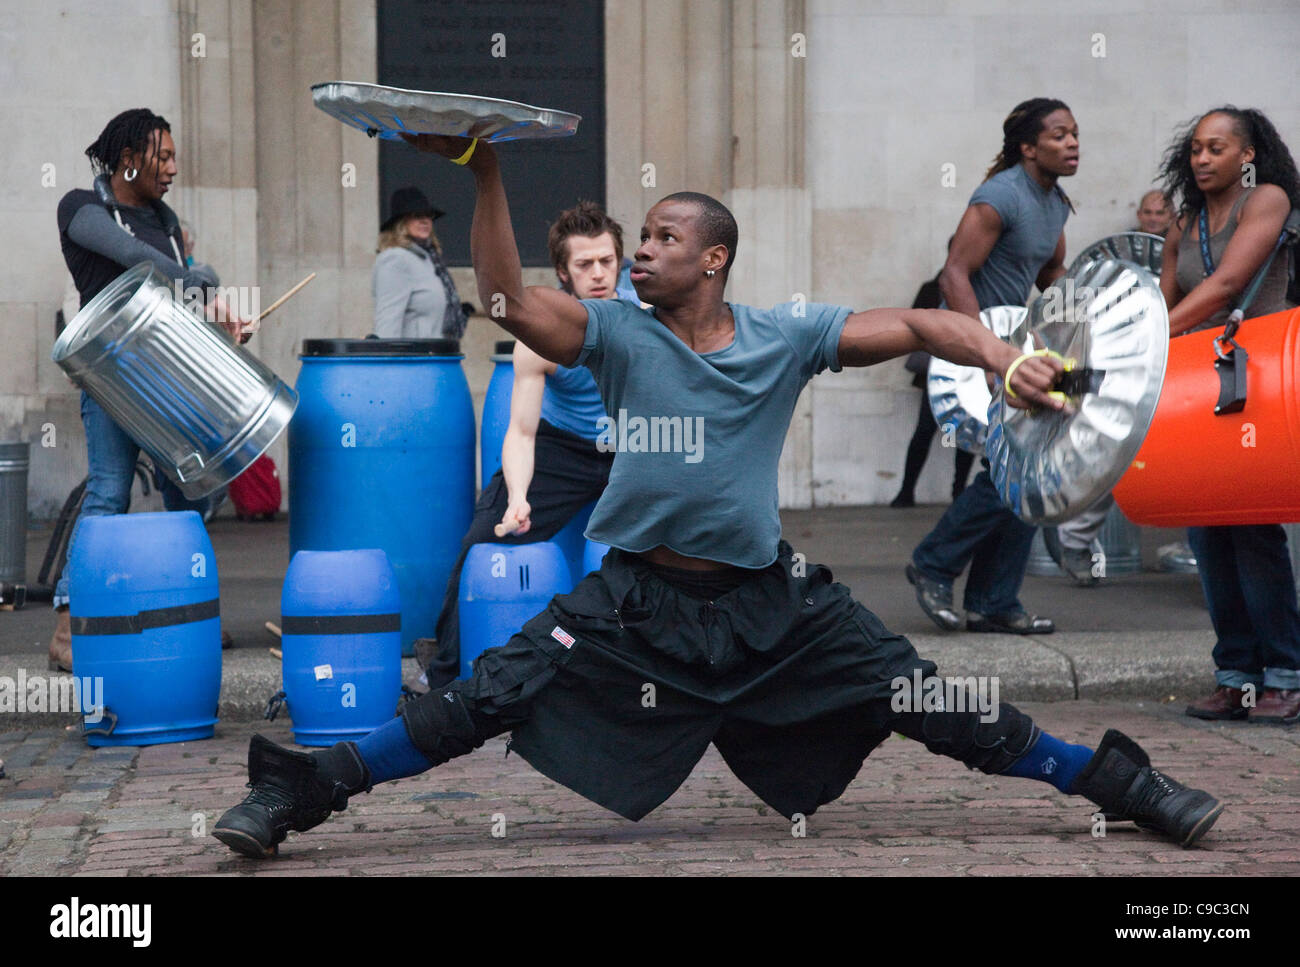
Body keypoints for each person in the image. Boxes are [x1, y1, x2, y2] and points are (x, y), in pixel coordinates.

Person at [211, 132, 1222, 859]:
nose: (639, 251)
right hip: (632, 604)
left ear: (713, 257)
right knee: (481, 695)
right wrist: (487, 171)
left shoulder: (783, 336)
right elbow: (515, 299)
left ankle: (1107, 779)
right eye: (636, 238)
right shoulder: (615, 334)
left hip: (772, 603)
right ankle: (308, 784)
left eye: (658, 237)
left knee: (933, 701)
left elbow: (918, 328)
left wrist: (1007, 361)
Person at [51, 108, 252, 671]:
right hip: (112, 381)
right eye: (161, 157)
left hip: (166, 377)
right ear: (127, 159)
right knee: (109, 495)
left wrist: (217, 312)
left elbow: (179, 294)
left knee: (192, 492)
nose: (172, 168)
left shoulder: (164, 220)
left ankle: (191, 617)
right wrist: (200, 274)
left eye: (172, 157)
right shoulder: (82, 208)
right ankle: (66, 628)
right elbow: (136, 263)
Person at [418, 200, 628, 690]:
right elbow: (522, 432)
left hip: (633, 445)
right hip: (564, 447)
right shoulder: (540, 334)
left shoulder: (647, 316)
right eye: (584, 264)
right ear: (562, 272)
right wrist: (517, 499)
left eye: (607, 261)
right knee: (484, 536)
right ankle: (445, 677)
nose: (598, 273)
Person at [907, 98, 1078, 634]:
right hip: (972, 344)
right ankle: (934, 564)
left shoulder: (1055, 204)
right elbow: (954, 273)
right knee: (1014, 467)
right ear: (1028, 147)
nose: (1072, 144)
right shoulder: (1000, 196)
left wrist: (1088, 323)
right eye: (1058, 135)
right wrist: (986, 352)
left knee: (1028, 465)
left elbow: (1052, 275)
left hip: (1015, 344)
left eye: (1074, 134)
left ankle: (993, 599)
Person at [1156, 106, 1300, 725]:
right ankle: (1236, 675)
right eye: (1195, 149)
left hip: (1261, 380)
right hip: (1196, 385)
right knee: (1205, 529)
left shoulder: (1265, 199)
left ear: (1247, 155)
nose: (1202, 158)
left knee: (1254, 529)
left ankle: (1286, 674)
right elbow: (1162, 298)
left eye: (1217, 148)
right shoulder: (1184, 222)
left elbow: (1225, 286)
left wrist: (1145, 340)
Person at [890, 243, 974, 508]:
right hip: (937, 372)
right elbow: (913, 324)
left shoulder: (978, 290)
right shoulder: (932, 288)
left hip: (968, 373)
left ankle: (958, 492)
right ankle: (907, 491)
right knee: (925, 430)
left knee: (965, 434)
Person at [371, 186, 467, 339]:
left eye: (428, 215)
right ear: (400, 223)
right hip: (413, 359)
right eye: (416, 215)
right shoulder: (395, 259)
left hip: (436, 357)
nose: (425, 221)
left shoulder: (430, 259)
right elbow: (388, 320)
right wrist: (387, 358)